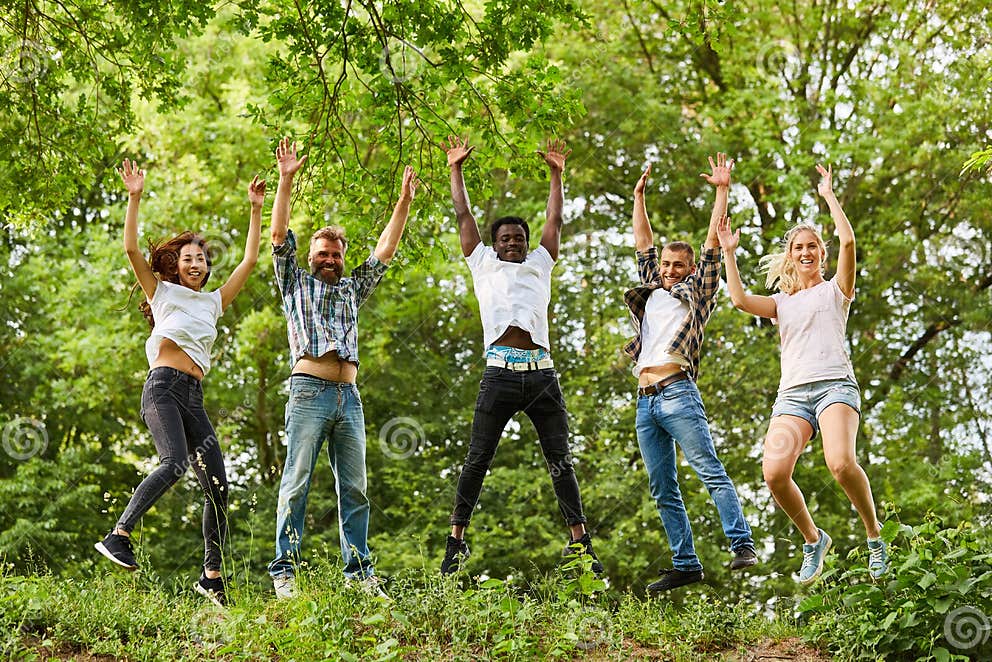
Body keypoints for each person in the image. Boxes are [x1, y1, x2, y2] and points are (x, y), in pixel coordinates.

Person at [95, 158, 266, 608]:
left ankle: (211, 577)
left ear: (207, 267)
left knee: (217, 485)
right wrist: (134, 198)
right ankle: (119, 534)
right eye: (188, 257)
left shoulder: (213, 301)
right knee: (172, 464)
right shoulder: (162, 292)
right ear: (176, 265)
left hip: (194, 396)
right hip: (163, 388)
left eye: (201, 258)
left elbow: (250, 258)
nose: (196, 262)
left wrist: (255, 209)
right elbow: (132, 250)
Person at [717, 163, 888, 584]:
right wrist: (728, 252)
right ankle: (814, 540)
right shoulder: (781, 303)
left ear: (821, 254)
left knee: (841, 463)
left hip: (834, 388)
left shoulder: (837, 291)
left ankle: (874, 537)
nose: (806, 252)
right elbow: (738, 299)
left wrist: (828, 195)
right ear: (791, 257)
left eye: (812, 246)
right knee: (774, 473)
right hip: (792, 396)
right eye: (798, 248)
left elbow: (848, 239)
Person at [439, 136, 603, 576]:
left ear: (529, 244)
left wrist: (556, 172)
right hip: (500, 374)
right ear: (494, 245)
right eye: (506, 238)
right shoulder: (482, 263)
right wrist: (455, 168)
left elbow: (556, 217)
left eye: (519, 238)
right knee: (478, 458)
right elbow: (463, 214)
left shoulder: (541, 263)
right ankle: (455, 542)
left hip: (542, 377)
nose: (514, 242)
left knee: (560, 460)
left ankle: (580, 543)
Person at [267, 137, 418, 598]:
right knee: (296, 482)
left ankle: (359, 574)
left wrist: (404, 202)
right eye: (322, 253)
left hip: (349, 398)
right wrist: (286, 178)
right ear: (310, 257)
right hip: (309, 391)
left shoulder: (353, 288)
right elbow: (277, 236)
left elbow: (385, 251)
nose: (330, 260)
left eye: (336, 254)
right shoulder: (294, 283)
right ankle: (284, 573)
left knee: (355, 489)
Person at [623, 154, 757, 594]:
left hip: (678, 393)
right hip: (645, 402)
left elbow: (713, 246)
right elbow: (643, 239)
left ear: (689, 269)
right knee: (663, 488)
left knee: (708, 469)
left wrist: (722, 190)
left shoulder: (698, 289)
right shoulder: (653, 285)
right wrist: (638, 196)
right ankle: (686, 562)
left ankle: (742, 544)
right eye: (664, 265)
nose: (668, 271)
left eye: (677, 265)